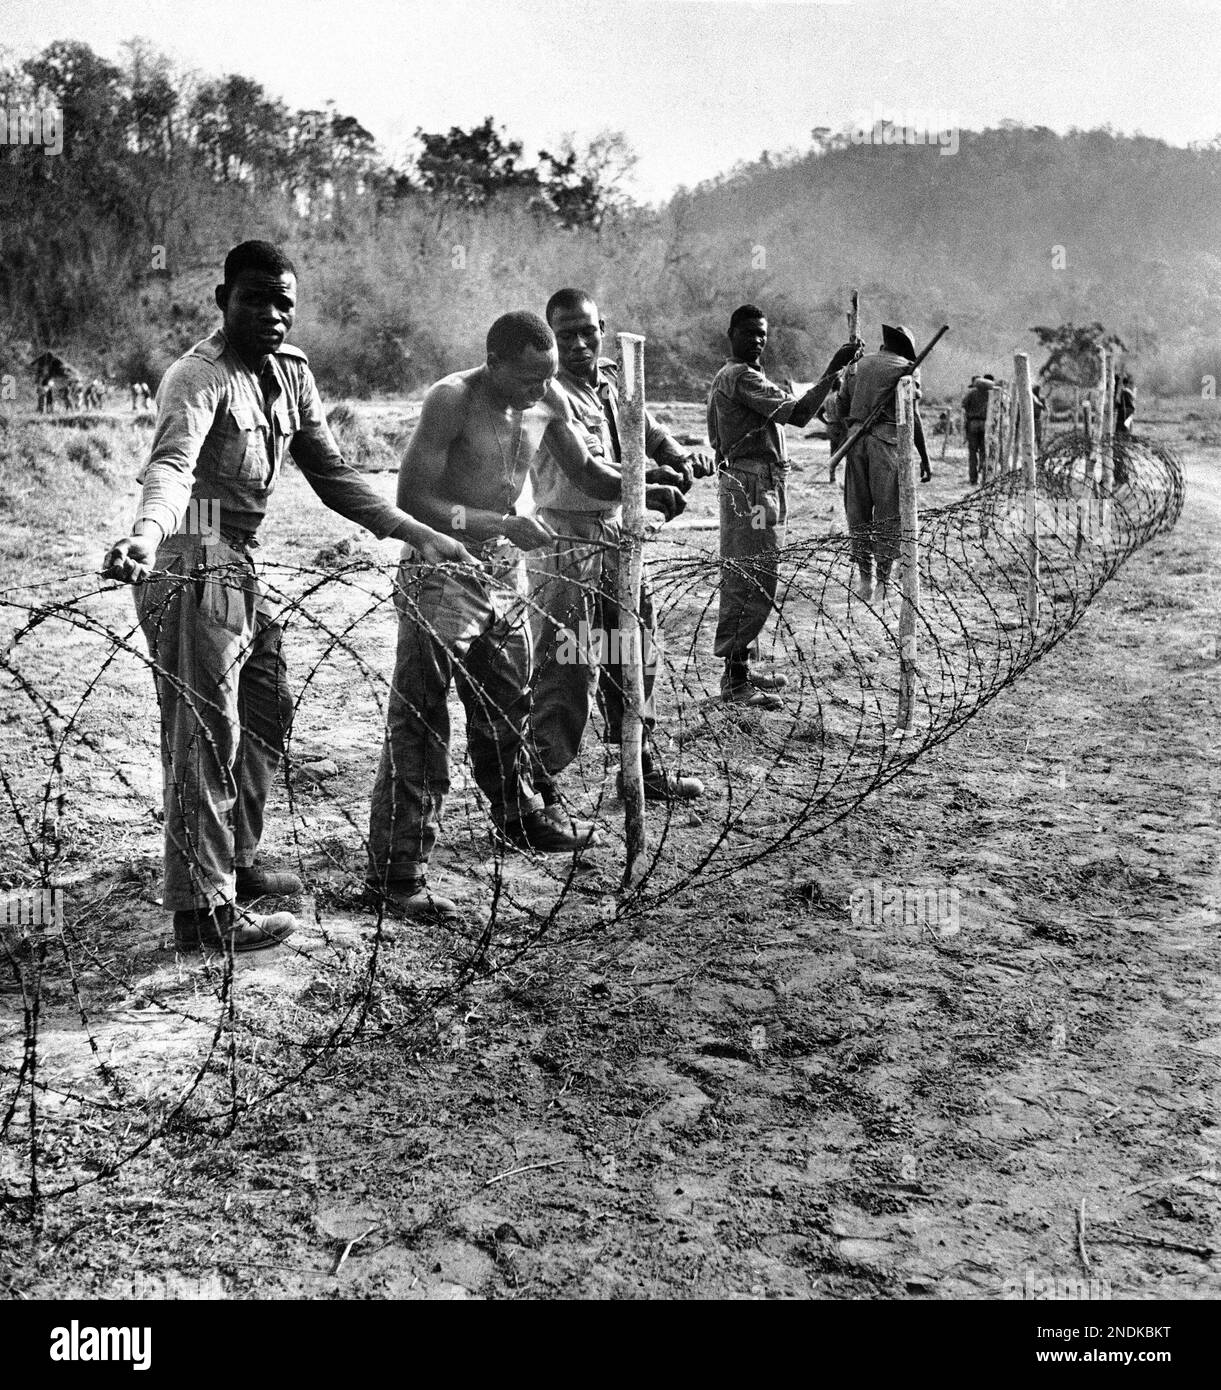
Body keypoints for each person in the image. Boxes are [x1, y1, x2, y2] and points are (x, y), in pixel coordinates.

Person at [103, 240, 475, 954]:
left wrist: (414, 531)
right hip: (188, 558)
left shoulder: (289, 374)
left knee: (266, 708)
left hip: (240, 562)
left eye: (284, 304)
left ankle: (236, 861)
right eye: (254, 299)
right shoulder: (198, 376)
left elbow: (330, 472)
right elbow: (172, 467)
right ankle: (203, 912)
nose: (271, 315)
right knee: (205, 735)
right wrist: (145, 536)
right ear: (222, 300)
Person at [366, 311, 686, 921]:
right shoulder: (451, 399)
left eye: (547, 379)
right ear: (494, 364)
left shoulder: (547, 402)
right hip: (443, 567)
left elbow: (590, 472)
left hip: (500, 574)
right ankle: (398, 872)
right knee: (422, 715)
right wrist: (498, 524)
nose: (541, 391)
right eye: (528, 380)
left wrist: (644, 484)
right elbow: (414, 500)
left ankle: (518, 817)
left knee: (509, 701)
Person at [525, 289, 707, 816]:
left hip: (615, 533)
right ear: (550, 338)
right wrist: (646, 483)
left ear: (603, 326)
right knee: (568, 663)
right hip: (566, 539)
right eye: (565, 335)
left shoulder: (611, 379)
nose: (580, 344)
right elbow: (586, 471)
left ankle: (640, 764)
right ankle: (540, 789)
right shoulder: (546, 391)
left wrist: (674, 454)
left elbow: (644, 426)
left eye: (588, 331)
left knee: (636, 650)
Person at [708, 305, 857, 708]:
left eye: (763, 334)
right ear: (731, 334)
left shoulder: (736, 377)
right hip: (753, 487)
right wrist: (834, 368)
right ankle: (735, 682)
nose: (758, 340)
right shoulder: (741, 377)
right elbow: (799, 414)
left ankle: (740, 668)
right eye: (750, 333)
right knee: (751, 574)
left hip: (759, 483)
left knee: (755, 571)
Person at [844, 324, 932, 605]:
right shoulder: (907, 368)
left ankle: (864, 580)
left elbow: (840, 406)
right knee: (888, 513)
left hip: (854, 441)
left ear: (884, 345)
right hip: (887, 443)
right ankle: (883, 582)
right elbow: (912, 414)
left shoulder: (857, 365)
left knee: (857, 510)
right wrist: (924, 456)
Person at [962, 373, 993, 484]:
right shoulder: (991, 394)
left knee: (972, 453)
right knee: (984, 452)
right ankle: (985, 479)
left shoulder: (972, 394)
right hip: (986, 424)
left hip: (973, 424)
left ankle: (973, 479)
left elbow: (964, 405)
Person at [1113, 373, 1135, 486]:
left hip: (1122, 427)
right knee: (1118, 452)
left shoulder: (1125, 393)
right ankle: (1120, 476)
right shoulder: (1122, 393)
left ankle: (1121, 477)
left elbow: (1130, 410)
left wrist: (1126, 425)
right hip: (1120, 426)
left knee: (1119, 452)